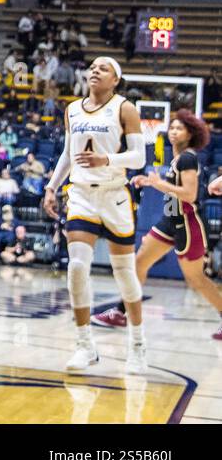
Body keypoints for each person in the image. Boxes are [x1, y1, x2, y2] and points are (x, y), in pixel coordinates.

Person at [43, 56, 148, 375]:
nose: (94, 71)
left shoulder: (124, 108)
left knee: (125, 275)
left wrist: (106, 159)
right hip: (81, 194)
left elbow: (139, 158)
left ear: (115, 79)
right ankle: (84, 345)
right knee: (76, 268)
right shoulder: (72, 109)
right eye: (92, 67)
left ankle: (138, 345)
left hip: (115, 195)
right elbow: (67, 154)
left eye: (103, 68)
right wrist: (51, 186)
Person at [93, 110, 222, 341]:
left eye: (179, 128)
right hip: (169, 222)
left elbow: (190, 195)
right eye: (171, 127)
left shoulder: (188, 158)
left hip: (186, 224)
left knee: (196, 280)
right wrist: (150, 183)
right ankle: (121, 313)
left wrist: (158, 183)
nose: (173, 131)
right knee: (138, 264)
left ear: (190, 133)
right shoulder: (176, 159)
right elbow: (172, 190)